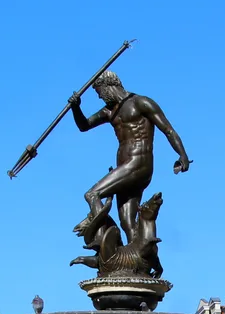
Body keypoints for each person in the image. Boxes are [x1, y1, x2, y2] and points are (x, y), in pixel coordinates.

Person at [69, 72, 190, 242]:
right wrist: (76, 107)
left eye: (99, 92)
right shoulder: (108, 111)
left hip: (138, 162)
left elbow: (168, 130)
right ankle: (137, 254)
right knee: (127, 221)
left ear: (108, 86)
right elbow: (84, 125)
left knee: (92, 194)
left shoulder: (140, 102)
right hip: (125, 167)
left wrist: (182, 154)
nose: (100, 97)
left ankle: (101, 236)